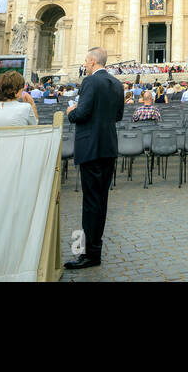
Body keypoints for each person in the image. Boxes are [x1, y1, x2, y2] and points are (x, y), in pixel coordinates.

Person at [65, 47, 124, 270]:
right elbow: (118, 116)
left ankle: (89, 254)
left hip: (91, 148)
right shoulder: (117, 84)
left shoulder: (90, 82)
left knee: (90, 202)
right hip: (108, 147)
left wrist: (72, 110)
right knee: (100, 201)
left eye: (86, 61)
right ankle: (94, 250)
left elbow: (82, 114)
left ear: (91, 62)